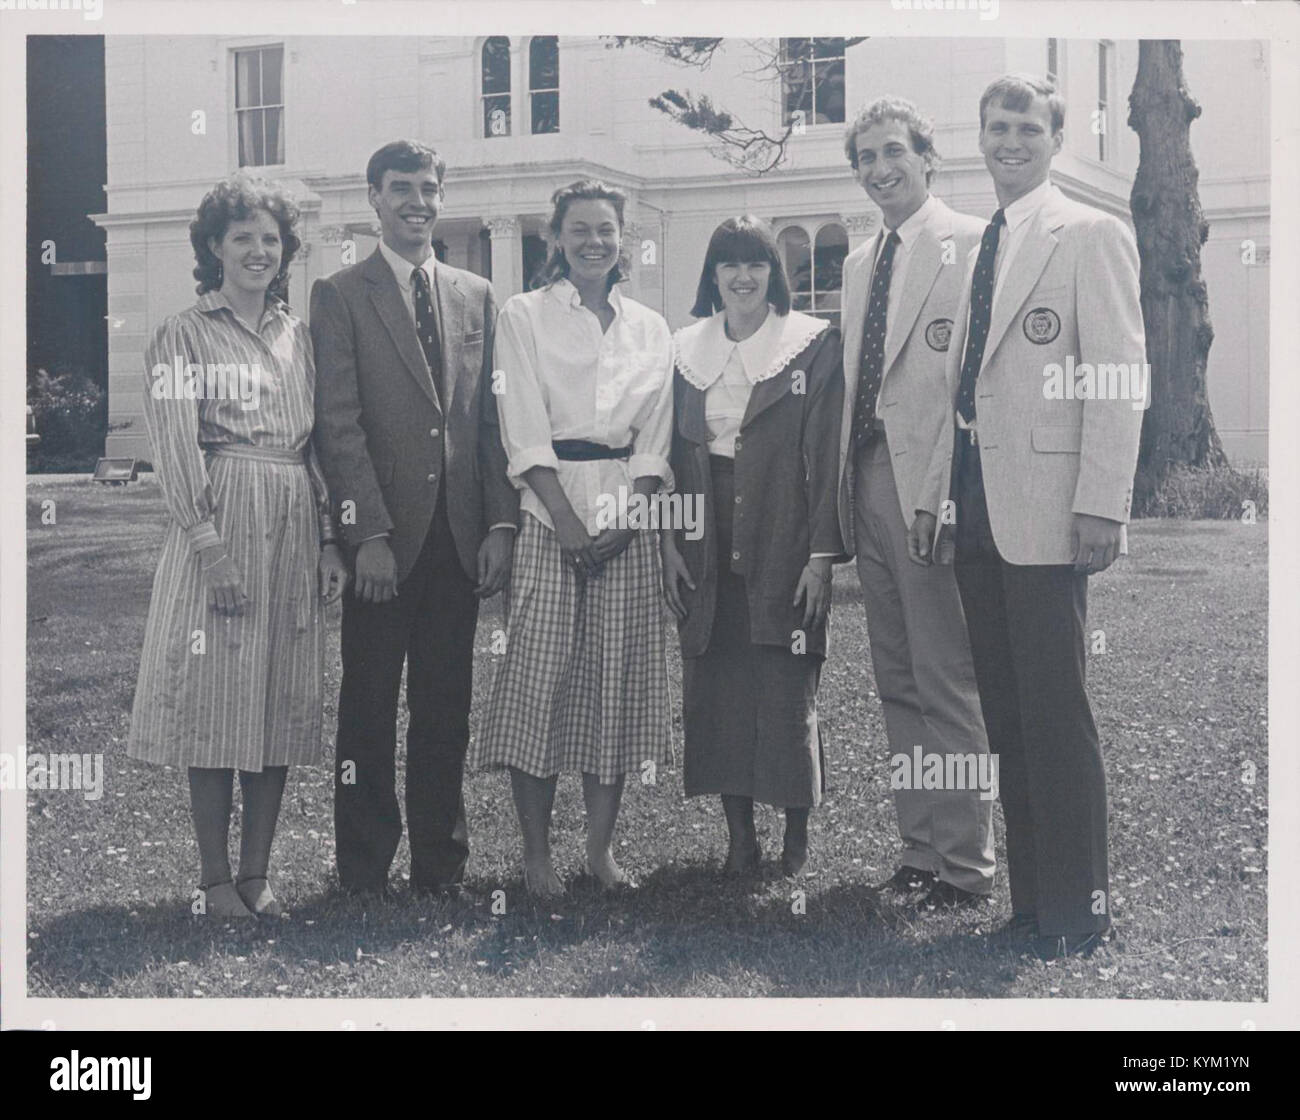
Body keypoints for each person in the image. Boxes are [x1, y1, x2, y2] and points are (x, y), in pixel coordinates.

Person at [914, 75, 1145, 958]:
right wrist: (942, 495)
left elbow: (1118, 379)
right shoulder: (979, 248)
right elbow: (958, 391)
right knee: (1006, 711)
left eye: (1027, 128)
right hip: (977, 505)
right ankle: (1031, 901)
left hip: (1051, 510)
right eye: (996, 127)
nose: (1009, 141)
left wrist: (1100, 504)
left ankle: (1079, 906)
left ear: (1055, 139)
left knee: (1055, 706)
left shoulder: (1088, 233)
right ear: (979, 137)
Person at [128, 174, 349, 919]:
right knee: (217, 705)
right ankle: (216, 880)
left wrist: (328, 541)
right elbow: (175, 446)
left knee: (280, 704)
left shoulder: (300, 336)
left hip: (291, 520)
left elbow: (317, 446)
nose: (258, 250)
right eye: (242, 237)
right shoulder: (182, 332)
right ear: (214, 247)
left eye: (270, 239)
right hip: (220, 523)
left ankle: (259, 875)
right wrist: (207, 547)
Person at [311, 140, 517, 898]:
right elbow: (338, 424)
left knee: (445, 706)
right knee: (367, 706)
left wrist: (500, 524)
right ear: (373, 197)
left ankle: (441, 863)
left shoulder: (476, 294)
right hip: (384, 542)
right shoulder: (340, 295)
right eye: (401, 189)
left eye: (429, 189)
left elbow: (492, 420)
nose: (417, 203)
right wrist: (365, 535)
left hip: (458, 537)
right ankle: (363, 868)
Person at [472, 179, 674, 898]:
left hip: (628, 521)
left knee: (613, 684)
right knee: (540, 681)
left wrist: (629, 520)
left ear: (623, 238)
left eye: (607, 229)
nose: (595, 241)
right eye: (580, 229)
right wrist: (563, 520)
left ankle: (599, 850)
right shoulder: (523, 316)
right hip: (546, 515)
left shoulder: (651, 326)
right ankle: (536, 856)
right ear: (554, 238)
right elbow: (520, 427)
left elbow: (656, 437)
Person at [836, 98, 995, 909]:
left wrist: (940, 493)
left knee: (945, 677)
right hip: (864, 480)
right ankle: (920, 850)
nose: (878, 169)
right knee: (896, 678)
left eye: (892, 151)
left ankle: (967, 866)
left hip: (929, 488)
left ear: (927, 157)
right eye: (865, 157)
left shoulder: (970, 245)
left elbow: (971, 388)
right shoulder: (860, 262)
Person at [662, 216, 844, 877]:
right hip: (704, 528)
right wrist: (670, 541)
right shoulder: (686, 350)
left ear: (775, 275)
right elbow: (672, 453)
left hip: (783, 525)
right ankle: (740, 837)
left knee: (785, 681)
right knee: (716, 682)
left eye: (757, 265)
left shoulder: (812, 345)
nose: (743, 277)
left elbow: (827, 455)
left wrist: (821, 554)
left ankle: (796, 834)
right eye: (730, 264)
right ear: (712, 275)